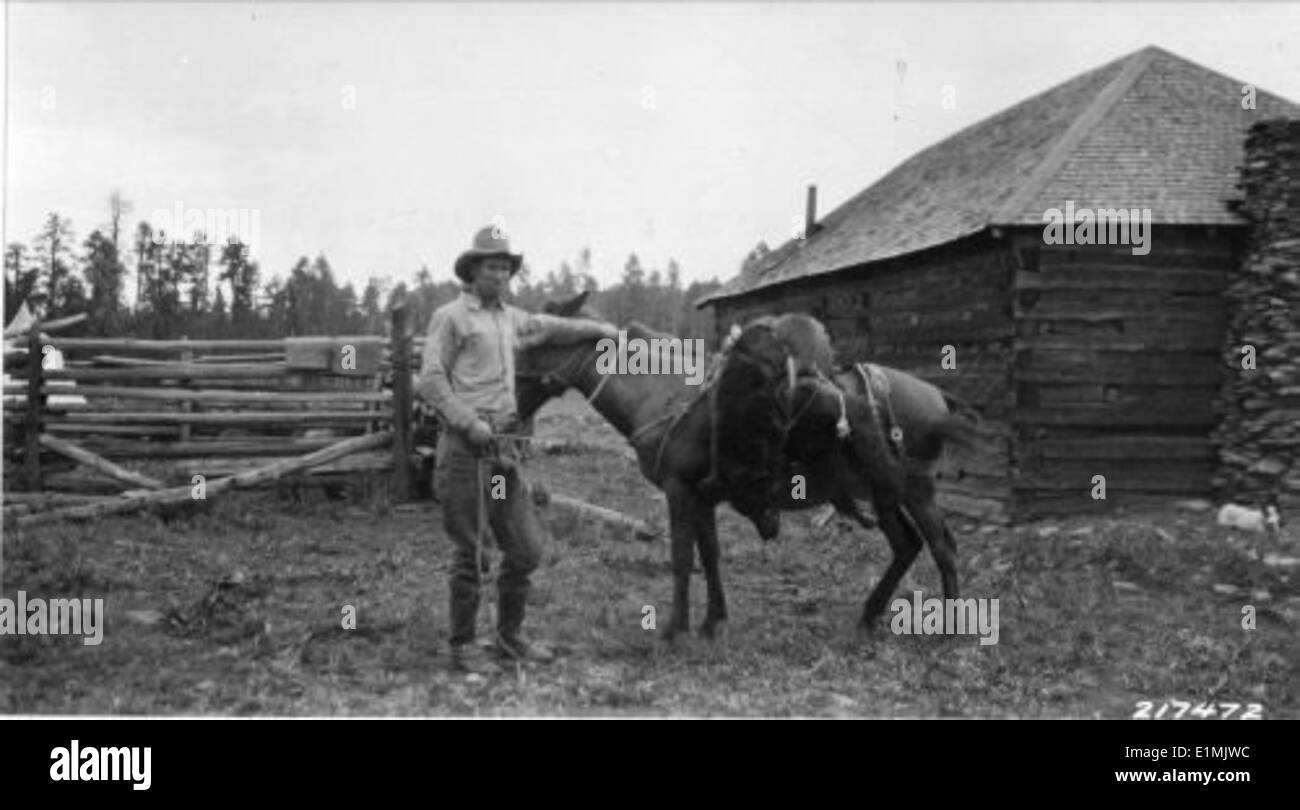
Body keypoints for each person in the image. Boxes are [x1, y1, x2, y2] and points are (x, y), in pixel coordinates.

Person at [417, 225, 617, 675]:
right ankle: (462, 647)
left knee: (524, 548)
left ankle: (509, 638)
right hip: (466, 454)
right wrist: (469, 423)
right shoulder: (450, 318)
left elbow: (551, 326)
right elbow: (430, 380)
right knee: (471, 553)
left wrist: (603, 330)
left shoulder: (510, 319)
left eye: (506, 268)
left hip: (504, 455)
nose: (500, 275)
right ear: (472, 271)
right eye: (492, 267)